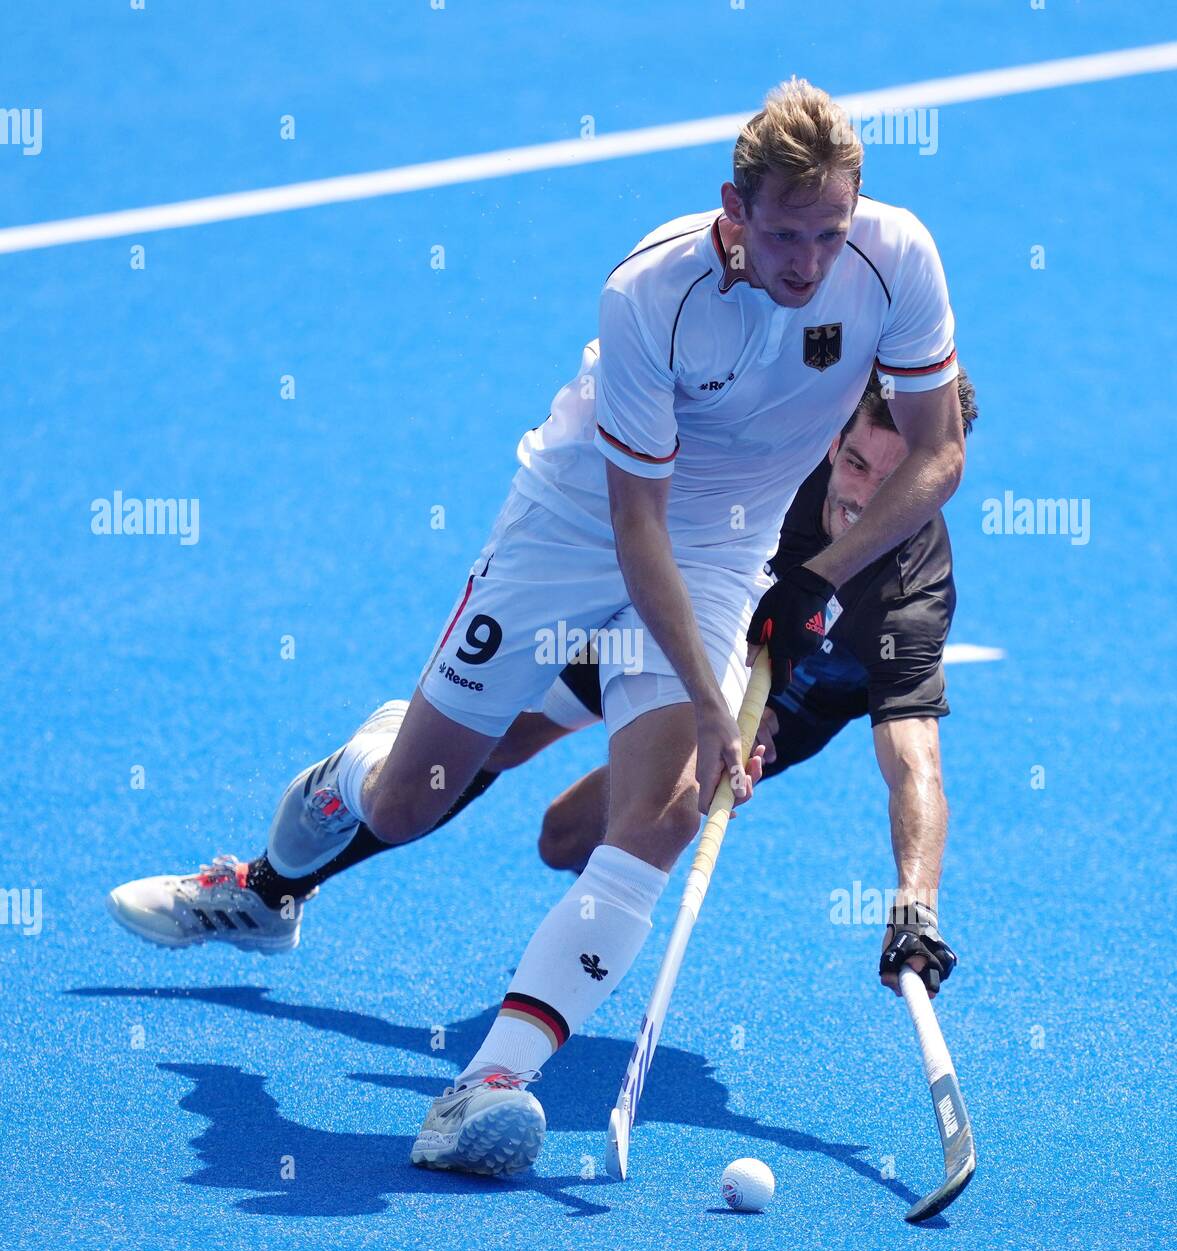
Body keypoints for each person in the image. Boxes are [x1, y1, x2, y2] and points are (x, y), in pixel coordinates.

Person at [108, 78, 965, 1177]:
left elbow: (937, 451)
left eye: (828, 233)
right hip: (575, 522)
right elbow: (635, 523)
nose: (807, 264)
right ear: (733, 208)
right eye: (785, 234)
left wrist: (813, 579)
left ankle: (489, 1083)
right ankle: (288, 859)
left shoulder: (897, 260)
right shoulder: (657, 290)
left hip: (720, 550)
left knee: (662, 804)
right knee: (408, 801)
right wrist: (714, 703)